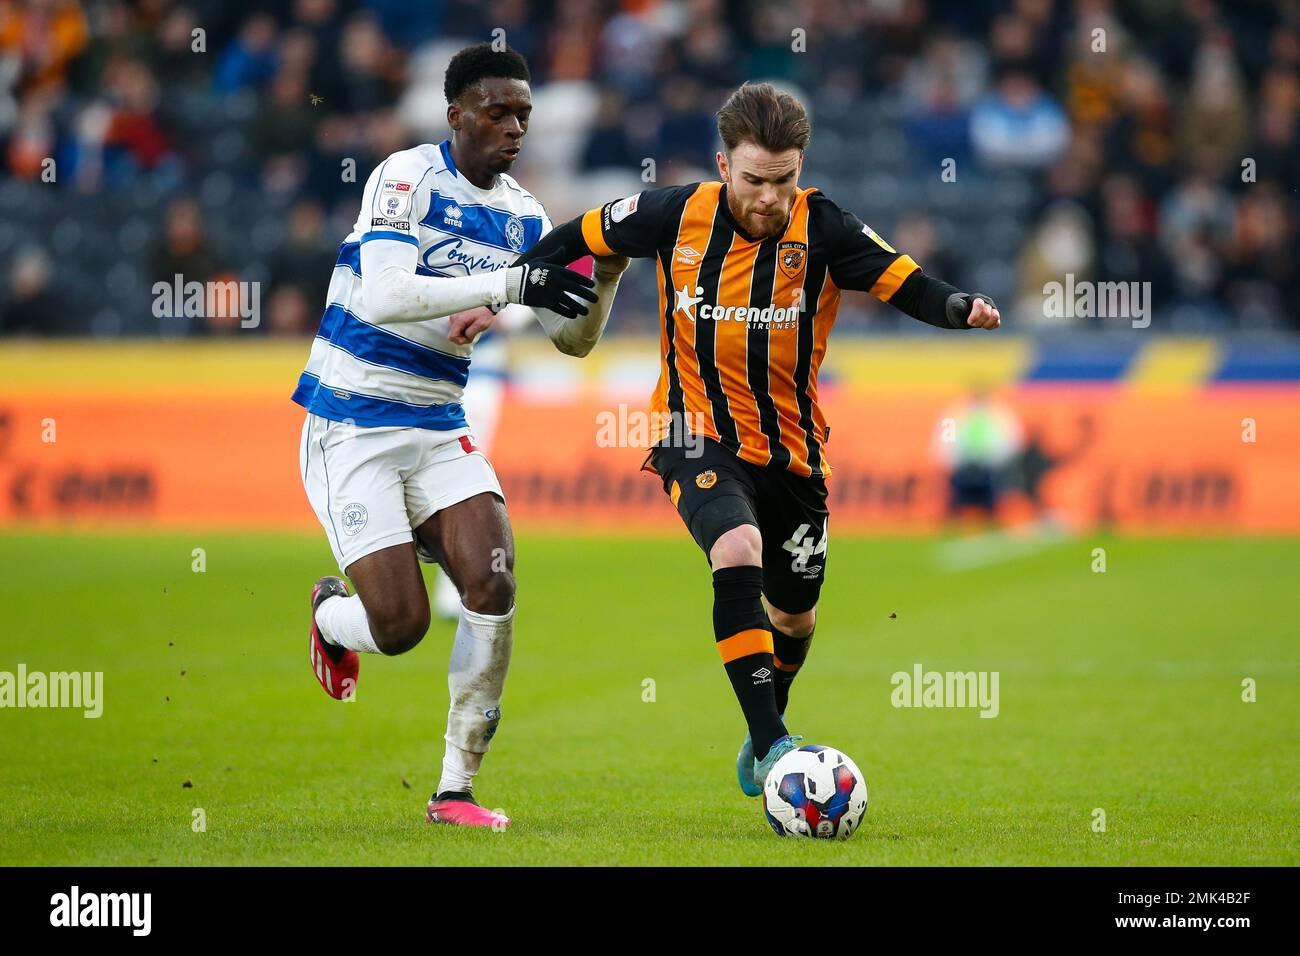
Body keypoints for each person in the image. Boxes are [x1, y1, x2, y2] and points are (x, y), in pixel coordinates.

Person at [511, 82, 1000, 797]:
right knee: (734, 548)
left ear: (800, 168)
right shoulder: (671, 214)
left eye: (784, 179)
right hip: (692, 429)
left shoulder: (825, 227)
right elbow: (573, 238)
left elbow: (908, 284)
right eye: (754, 180)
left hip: (793, 449)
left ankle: (767, 721)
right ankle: (774, 743)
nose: (770, 197)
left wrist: (962, 307)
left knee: (794, 617)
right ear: (722, 164)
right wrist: (514, 290)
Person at [292, 43, 626, 827]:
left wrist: (601, 278)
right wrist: (510, 281)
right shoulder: (404, 177)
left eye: (525, 116)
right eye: (499, 112)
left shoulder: (525, 217)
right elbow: (383, 293)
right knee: (401, 627)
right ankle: (329, 617)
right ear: (456, 115)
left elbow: (571, 340)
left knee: (495, 577)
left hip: (438, 425)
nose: (516, 129)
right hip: (351, 422)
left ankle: (455, 790)